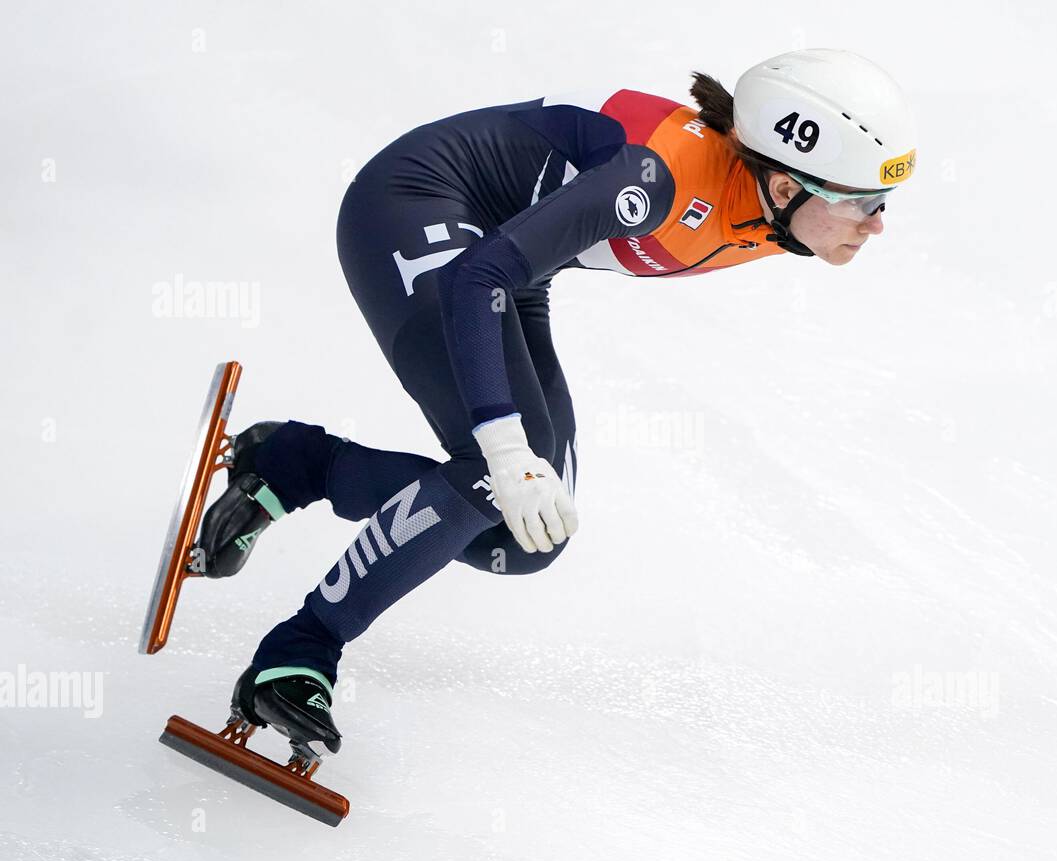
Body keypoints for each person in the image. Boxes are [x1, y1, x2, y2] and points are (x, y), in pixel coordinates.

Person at [197, 49, 918, 755]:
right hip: (418, 206)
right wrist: (505, 448)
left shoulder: (779, 210)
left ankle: (296, 465)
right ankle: (299, 653)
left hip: (513, 259)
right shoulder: (658, 180)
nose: (877, 223)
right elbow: (478, 278)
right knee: (495, 469)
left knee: (528, 536)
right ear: (788, 187)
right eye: (864, 202)